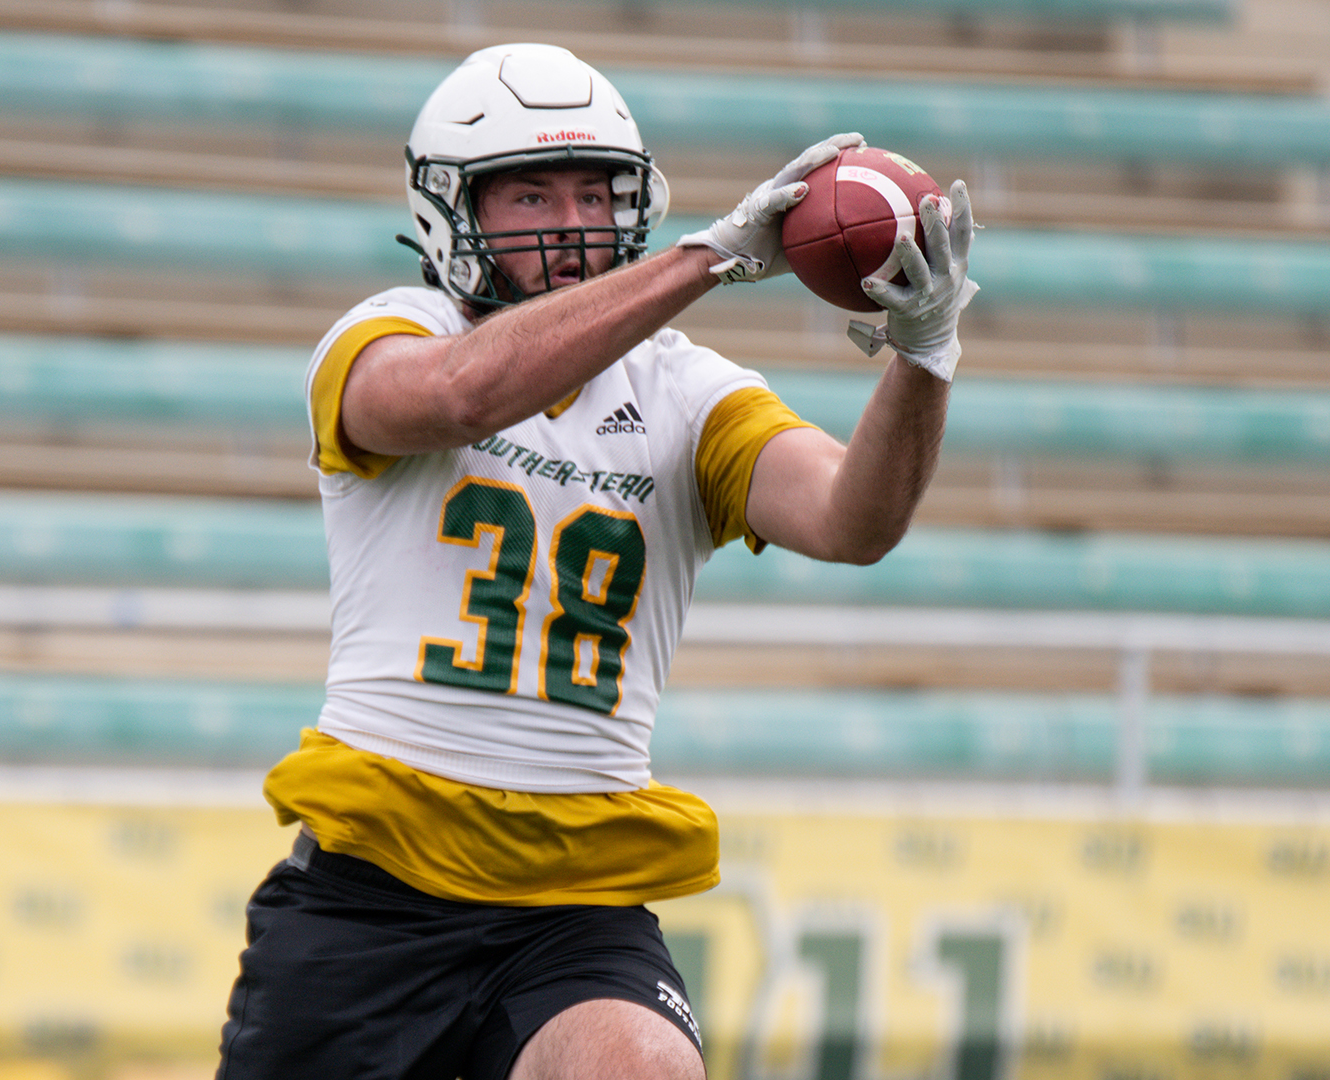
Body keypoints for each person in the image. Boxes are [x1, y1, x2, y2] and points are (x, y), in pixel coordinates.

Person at [216, 43, 975, 1080]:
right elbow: (462, 395)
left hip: (576, 909)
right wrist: (704, 261)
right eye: (532, 194)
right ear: (452, 211)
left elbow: (855, 520)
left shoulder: (688, 392)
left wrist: (925, 353)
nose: (573, 223)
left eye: (594, 192)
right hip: (372, 893)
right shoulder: (390, 334)